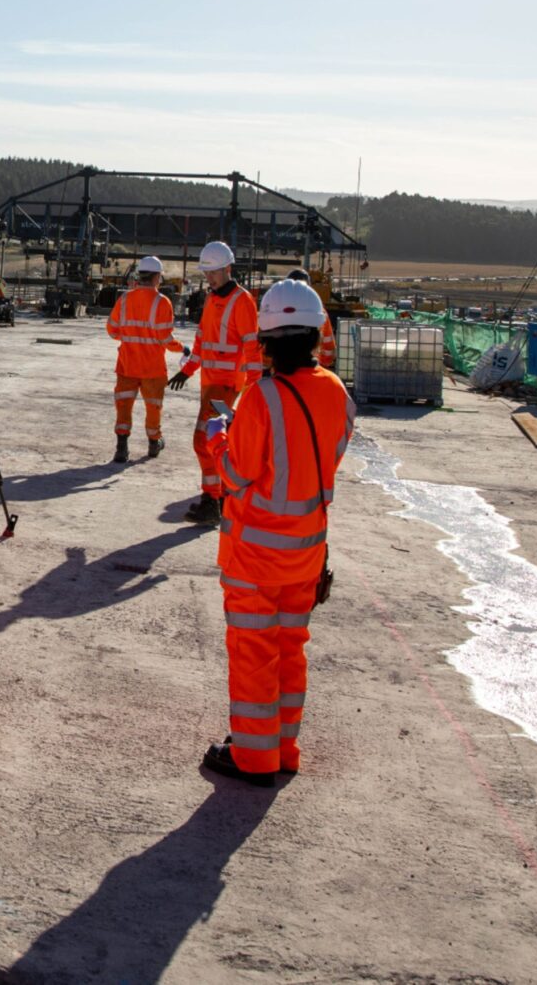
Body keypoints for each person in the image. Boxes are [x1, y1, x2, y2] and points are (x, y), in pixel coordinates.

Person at [200, 278, 356, 786]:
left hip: (254, 558)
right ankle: (284, 749)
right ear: (315, 336)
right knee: (290, 650)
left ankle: (253, 757)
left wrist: (218, 437)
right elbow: (327, 457)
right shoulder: (336, 392)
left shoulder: (260, 397)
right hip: (306, 554)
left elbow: (237, 474)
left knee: (253, 656)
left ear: (265, 341)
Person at [167, 241, 261, 524]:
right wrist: (189, 369)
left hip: (226, 385)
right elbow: (202, 340)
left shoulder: (242, 301)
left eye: (214, 272)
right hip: (210, 384)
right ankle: (218, 499)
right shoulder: (211, 299)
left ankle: (214, 499)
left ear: (228, 269)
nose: (209, 277)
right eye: (206, 273)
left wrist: (256, 390)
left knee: (204, 440)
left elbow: (252, 348)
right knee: (212, 440)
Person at [106, 255, 182, 462]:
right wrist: (183, 349)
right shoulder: (162, 303)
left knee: (123, 406)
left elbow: (112, 331)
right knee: (153, 406)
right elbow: (166, 339)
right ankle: (153, 443)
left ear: (140, 276)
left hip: (127, 365)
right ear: (157, 277)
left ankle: (121, 449)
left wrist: (131, 339)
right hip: (152, 368)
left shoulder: (124, 299)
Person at [287, 267, 336, 370]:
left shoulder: (278, 309)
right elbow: (328, 346)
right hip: (311, 368)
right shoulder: (320, 310)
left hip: (283, 369)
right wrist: (324, 364)